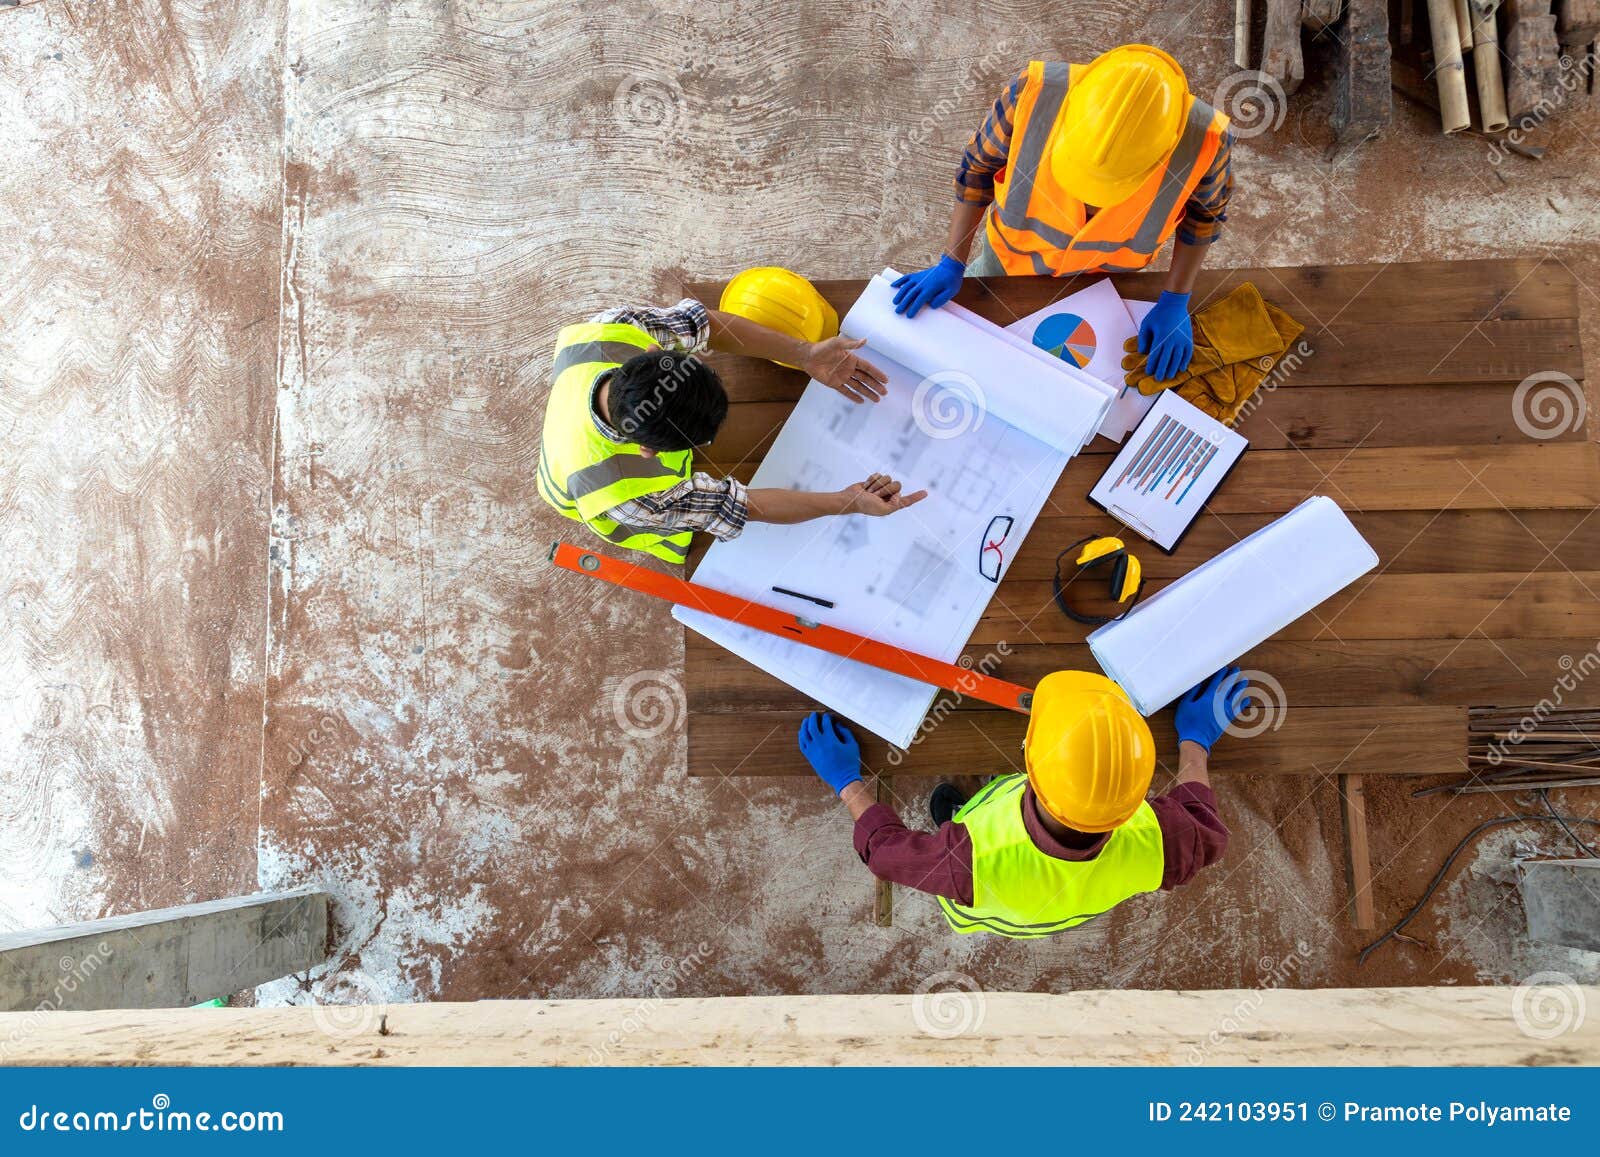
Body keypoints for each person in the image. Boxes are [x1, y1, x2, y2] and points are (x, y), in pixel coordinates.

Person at [796, 667, 1245, 937]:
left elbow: (884, 852)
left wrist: (846, 780)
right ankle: (972, 806)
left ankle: (957, 816)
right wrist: (1196, 740)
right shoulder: (1162, 838)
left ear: (1028, 756)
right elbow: (1202, 821)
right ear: (1138, 800)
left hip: (992, 902)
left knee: (965, 820)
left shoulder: (966, 862)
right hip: (1070, 902)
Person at [891, 44, 1234, 384]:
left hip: (1107, 285)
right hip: (1007, 265)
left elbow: (1205, 219)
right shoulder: (1032, 95)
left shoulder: (1206, 139)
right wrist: (953, 261)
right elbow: (976, 171)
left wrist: (1176, 298)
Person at [537, 297, 925, 563]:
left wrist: (804, 354)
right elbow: (740, 507)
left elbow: (702, 323)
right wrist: (848, 502)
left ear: (657, 354)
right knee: (678, 535)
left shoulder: (617, 329)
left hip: (577, 417)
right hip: (581, 490)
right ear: (649, 451)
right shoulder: (629, 499)